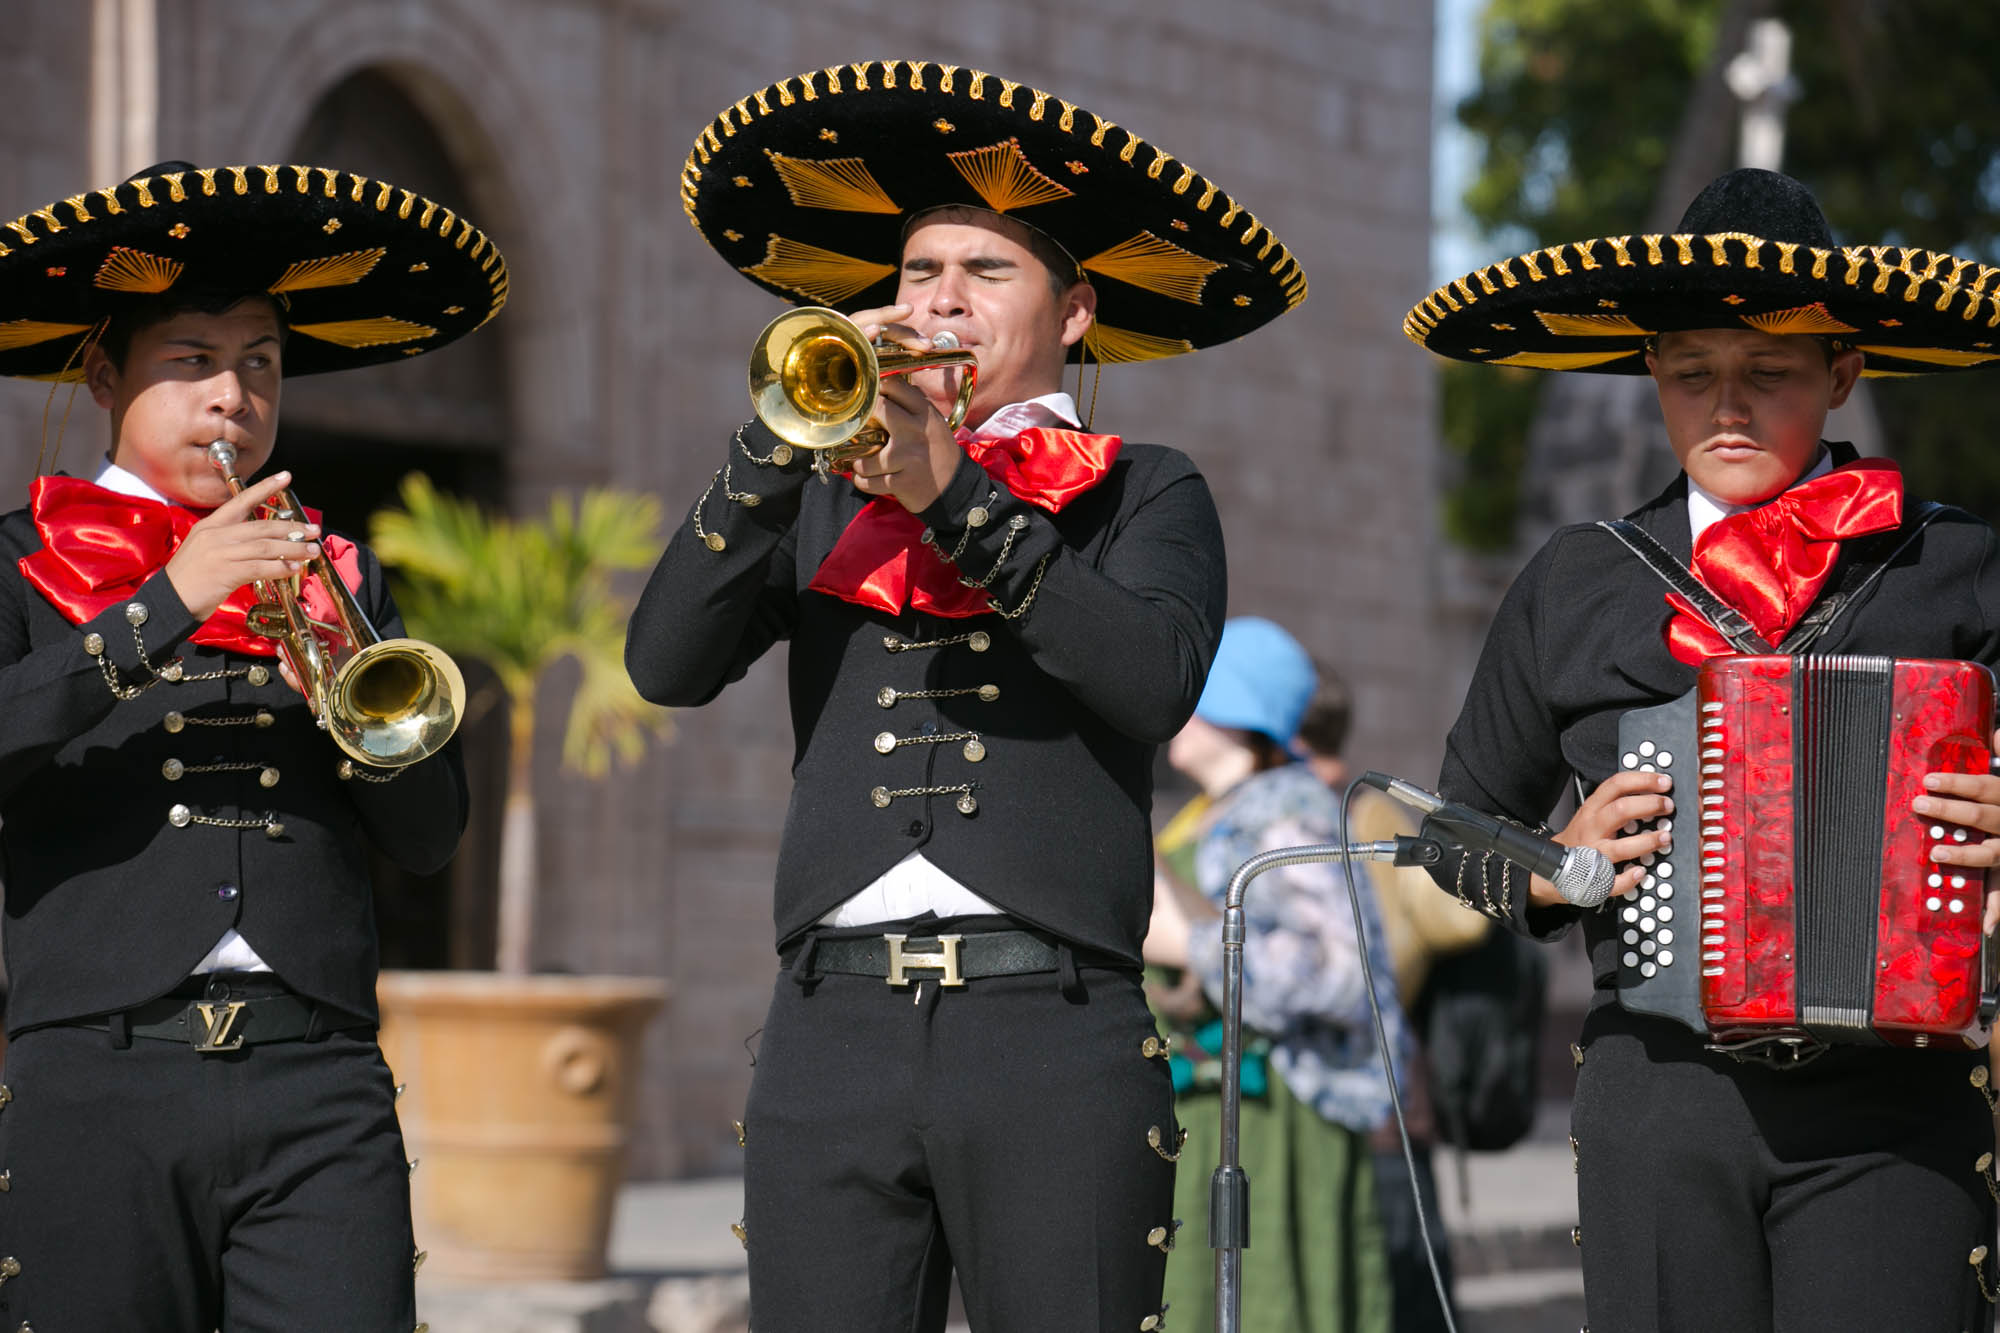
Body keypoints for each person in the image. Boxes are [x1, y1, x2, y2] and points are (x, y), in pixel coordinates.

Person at [626, 60, 1304, 1332]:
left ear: (1076, 312)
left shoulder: (1143, 490)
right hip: (830, 1025)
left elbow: (1148, 679)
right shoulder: (820, 490)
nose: (939, 303)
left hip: (1049, 1031)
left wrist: (953, 494)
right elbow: (664, 663)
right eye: (917, 274)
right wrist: (776, 447)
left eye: (984, 274)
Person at [1404, 166, 2000, 1331]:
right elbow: (1446, 829)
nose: (1725, 407)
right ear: (1650, 378)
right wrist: (1547, 859)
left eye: (1766, 374)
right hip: (1655, 1094)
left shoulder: (1955, 563)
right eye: (1690, 375)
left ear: (1840, 371)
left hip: (1896, 1103)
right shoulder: (1578, 578)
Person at [0, 160, 504, 1329]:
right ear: (101, 373)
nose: (234, 396)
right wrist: (166, 602)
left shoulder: (341, 571)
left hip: (317, 1081)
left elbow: (430, 841)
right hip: (95, 1078)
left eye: (260, 364)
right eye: (190, 361)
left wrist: (354, 710)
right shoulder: (22, 555)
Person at [1143, 616, 1407, 1333]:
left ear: (1240, 708)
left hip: (1279, 1121)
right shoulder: (1210, 815)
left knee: (1272, 1303)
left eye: (1199, 693)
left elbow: (1338, 969)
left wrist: (1191, 943)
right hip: (1209, 1105)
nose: (1180, 710)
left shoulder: (1290, 810)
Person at [1294, 661, 1489, 1333]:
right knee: (1408, 1270)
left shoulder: (1288, 808)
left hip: (1314, 1079)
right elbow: (1459, 920)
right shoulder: (1370, 806)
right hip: (1389, 1070)